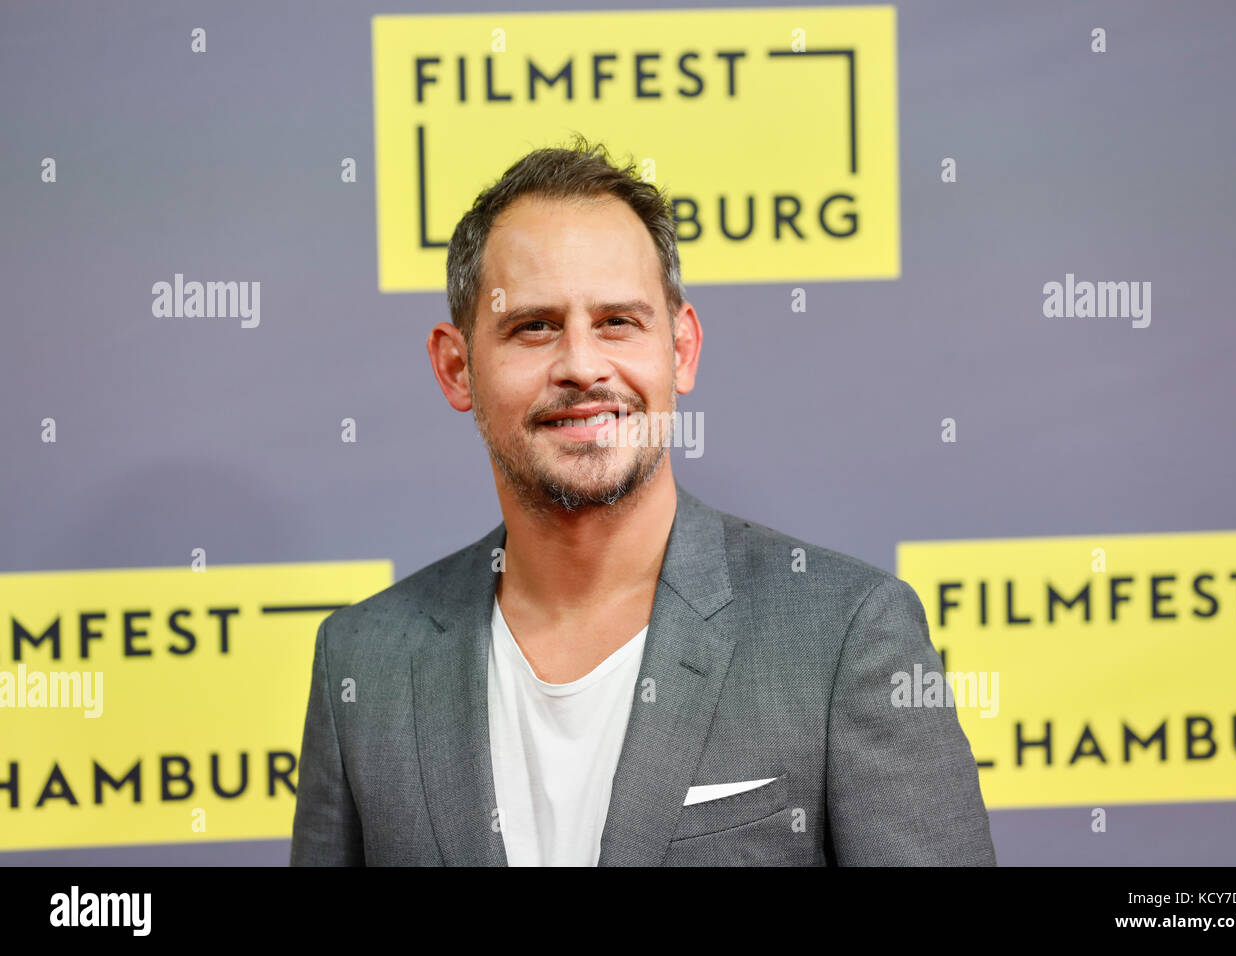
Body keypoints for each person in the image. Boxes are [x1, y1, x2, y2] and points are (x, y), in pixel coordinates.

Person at [290, 135, 995, 866]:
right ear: (456, 366)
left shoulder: (846, 637)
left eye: (617, 322)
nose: (583, 366)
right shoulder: (363, 665)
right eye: (534, 327)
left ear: (681, 349)